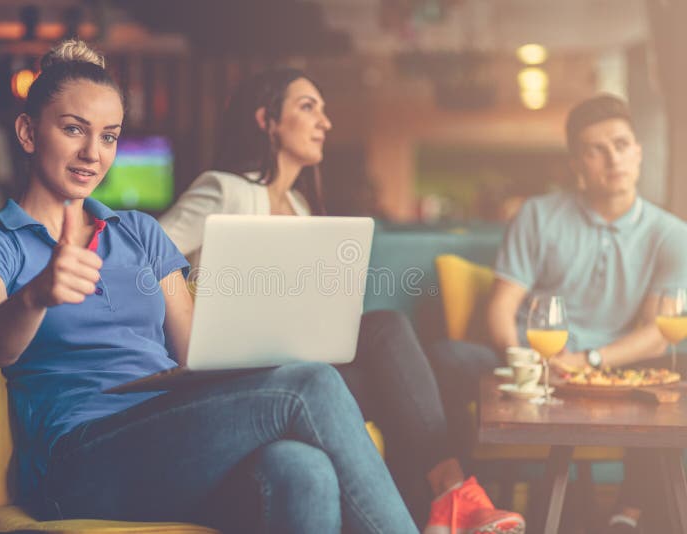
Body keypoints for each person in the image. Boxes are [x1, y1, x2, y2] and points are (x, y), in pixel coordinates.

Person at [0, 40, 425, 534]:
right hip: (75, 462)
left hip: (168, 434)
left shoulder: (139, 232)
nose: (93, 153)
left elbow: (194, 351)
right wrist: (37, 294)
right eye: (73, 130)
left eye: (109, 137)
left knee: (300, 467)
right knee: (311, 383)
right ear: (28, 132)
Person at [159, 68, 525, 534]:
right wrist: (186, 324)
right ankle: (452, 500)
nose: (325, 123)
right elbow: (147, 252)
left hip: (297, 369)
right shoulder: (225, 189)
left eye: (324, 110)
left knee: (397, 378)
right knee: (388, 333)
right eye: (308, 107)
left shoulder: (300, 206)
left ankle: (444, 504)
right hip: (240, 382)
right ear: (267, 120)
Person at [427, 94, 687, 534]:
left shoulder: (672, 235)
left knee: (670, 373)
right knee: (445, 357)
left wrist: (590, 363)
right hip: (531, 362)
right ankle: (468, 504)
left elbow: (656, 334)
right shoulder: (538, 215)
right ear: (576, 164)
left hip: (611, 370)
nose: (613, 158)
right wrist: (522, 361)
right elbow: (502, 308)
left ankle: (630, 511)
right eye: (596, 150)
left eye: (622, 144)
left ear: (639, 152)